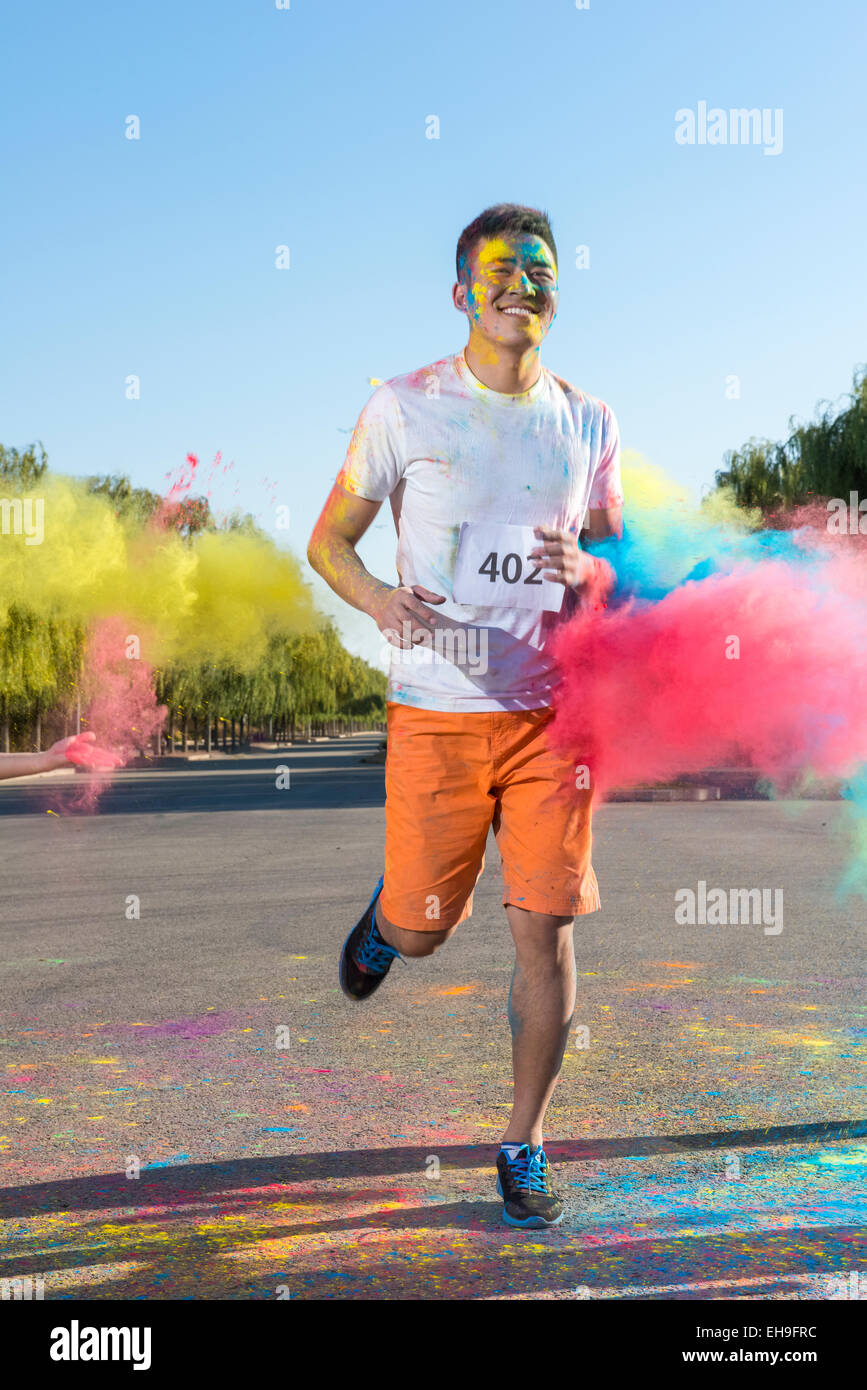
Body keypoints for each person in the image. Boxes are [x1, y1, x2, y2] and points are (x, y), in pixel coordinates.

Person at [307, 203, 623, 1229]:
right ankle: (391, 921)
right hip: (438, 715)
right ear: (461, 293)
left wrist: (593, 570)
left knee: (548, 929)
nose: (519, 284)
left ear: (557, 294)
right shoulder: (404, 408)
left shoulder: (591, 420)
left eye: (539, 269)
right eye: (500, 269)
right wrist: (379, 602)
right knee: (426, 927)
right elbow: (330, 545)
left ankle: (523, 1138)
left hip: (552, 722)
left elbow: (624, 558)